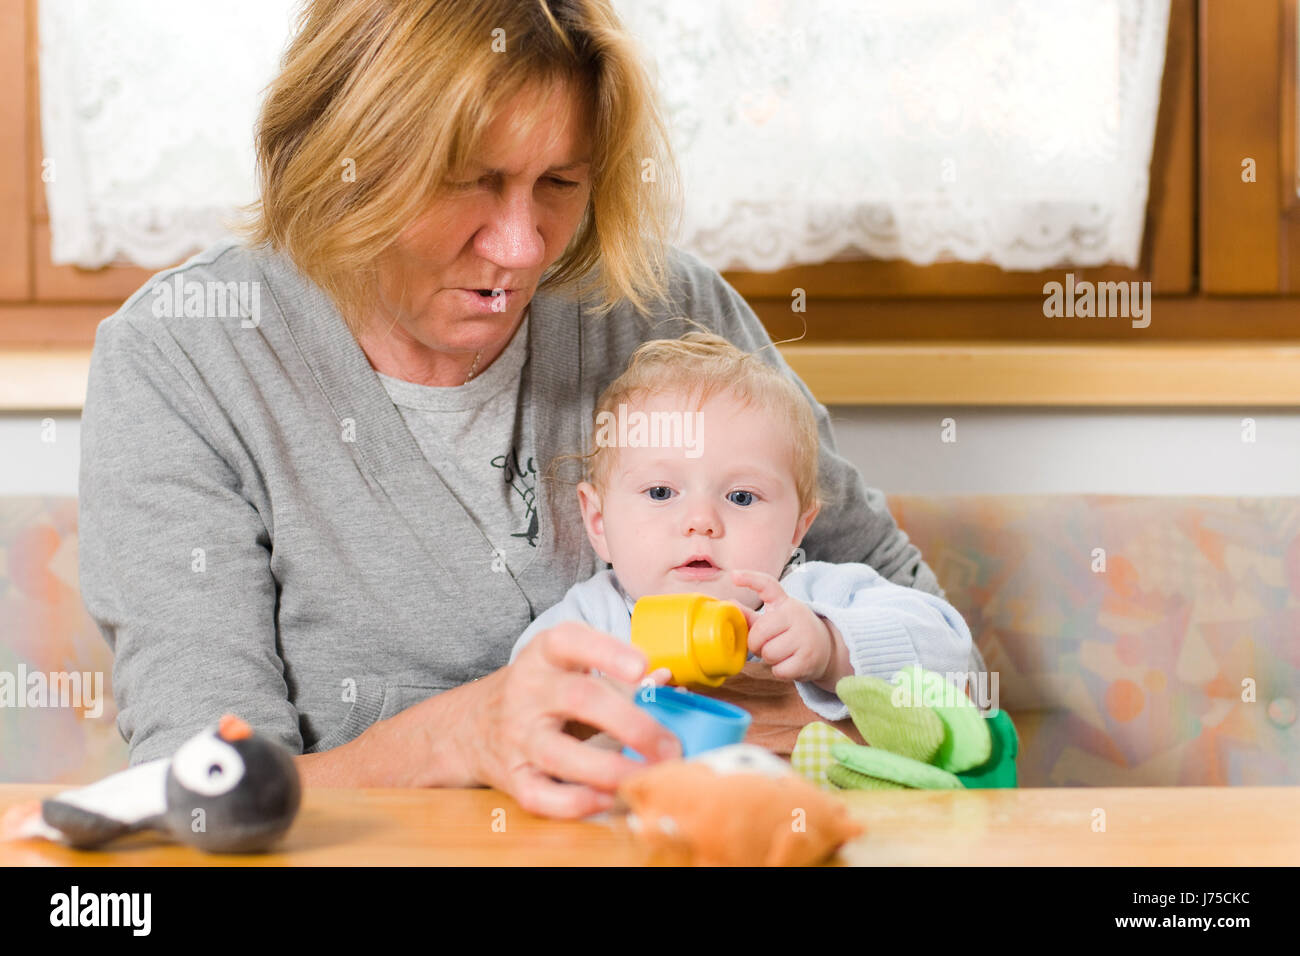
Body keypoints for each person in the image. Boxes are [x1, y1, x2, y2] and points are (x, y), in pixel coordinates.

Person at [78, 0, 957, 819]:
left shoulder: (663, 308)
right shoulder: (186, 357)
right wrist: (454, 737)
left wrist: (810, 730)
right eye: (467, 182)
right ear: (341, 159)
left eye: (560, 184)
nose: (521, 247)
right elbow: (205, 794)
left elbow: (939, 667)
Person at [510, 332, 982, 725]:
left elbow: (952, 659)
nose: (701, 522)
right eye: (660, 493)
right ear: (598, 522)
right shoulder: (589, 623)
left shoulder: (818, 595)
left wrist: (833, 648)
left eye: (741, 497)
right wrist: (595, 700)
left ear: (799, 527)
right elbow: (519, 712)